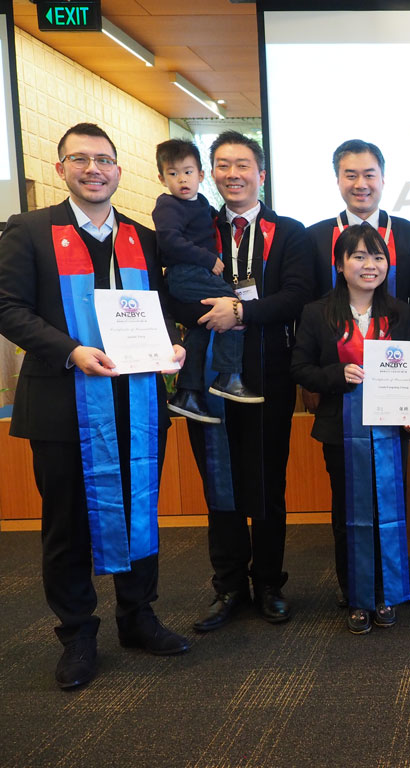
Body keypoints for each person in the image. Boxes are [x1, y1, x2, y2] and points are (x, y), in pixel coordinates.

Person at [0, 123, 190, 689]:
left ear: (118, 171)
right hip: (62, 404)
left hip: (136, 404)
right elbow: (8, 307)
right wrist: (71, 351)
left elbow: (158, 309)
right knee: (67, 524)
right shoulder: (29, 230)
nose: (93, 169)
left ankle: (139, 617)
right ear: (60, 169)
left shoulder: (142, 237)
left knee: (139, 509)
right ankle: (77, 633)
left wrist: (174, 341)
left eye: (103, 160)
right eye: (79, 159)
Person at [174, 131, 314, 632]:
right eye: (222, 165)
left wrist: (241, 310)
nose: (233, 174)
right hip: (205, 376)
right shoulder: (195, 228)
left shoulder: (290, 231)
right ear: (212, 173)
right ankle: (228, 585)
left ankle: (270, 583)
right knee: (219, 483)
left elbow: (298, 296)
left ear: (261, 174)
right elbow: (173, 292)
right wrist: (212, 313)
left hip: (266, 374)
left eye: (242, 165)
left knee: (266, 481)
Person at [292, 226, 410, 634]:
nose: (370, 265)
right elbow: (300, 368)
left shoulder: (400, 312)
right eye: (359, 257)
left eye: (378, 257)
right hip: (339, 429)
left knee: (388, 508)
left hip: (389, 429)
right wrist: (337, 373)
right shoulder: (317, 313)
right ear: (340, 263)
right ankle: (355, 594)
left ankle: (385, 592)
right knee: (348, 512)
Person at [306, 140, 410, 426]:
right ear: (338, 180)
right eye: (350, 175)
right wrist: (311, 381)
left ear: (383, 179)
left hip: (396, 374)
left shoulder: (407, 233)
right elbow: (307, 305)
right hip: (334, 376)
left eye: (369, 174)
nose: (360, 183)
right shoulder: (315, 236)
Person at [153, 138, 261, 425]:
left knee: (204, 326)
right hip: (188, 274)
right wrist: (206, 258)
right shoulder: (168, 205)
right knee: (234, 307)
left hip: (196, 275)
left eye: (188, 172)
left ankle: (187, 392)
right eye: (173, 174)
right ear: (162, 178)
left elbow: (206, 222)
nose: (182, 180)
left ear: (200, 176)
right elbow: (169, 241)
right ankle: (228, 375)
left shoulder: (201, 203)